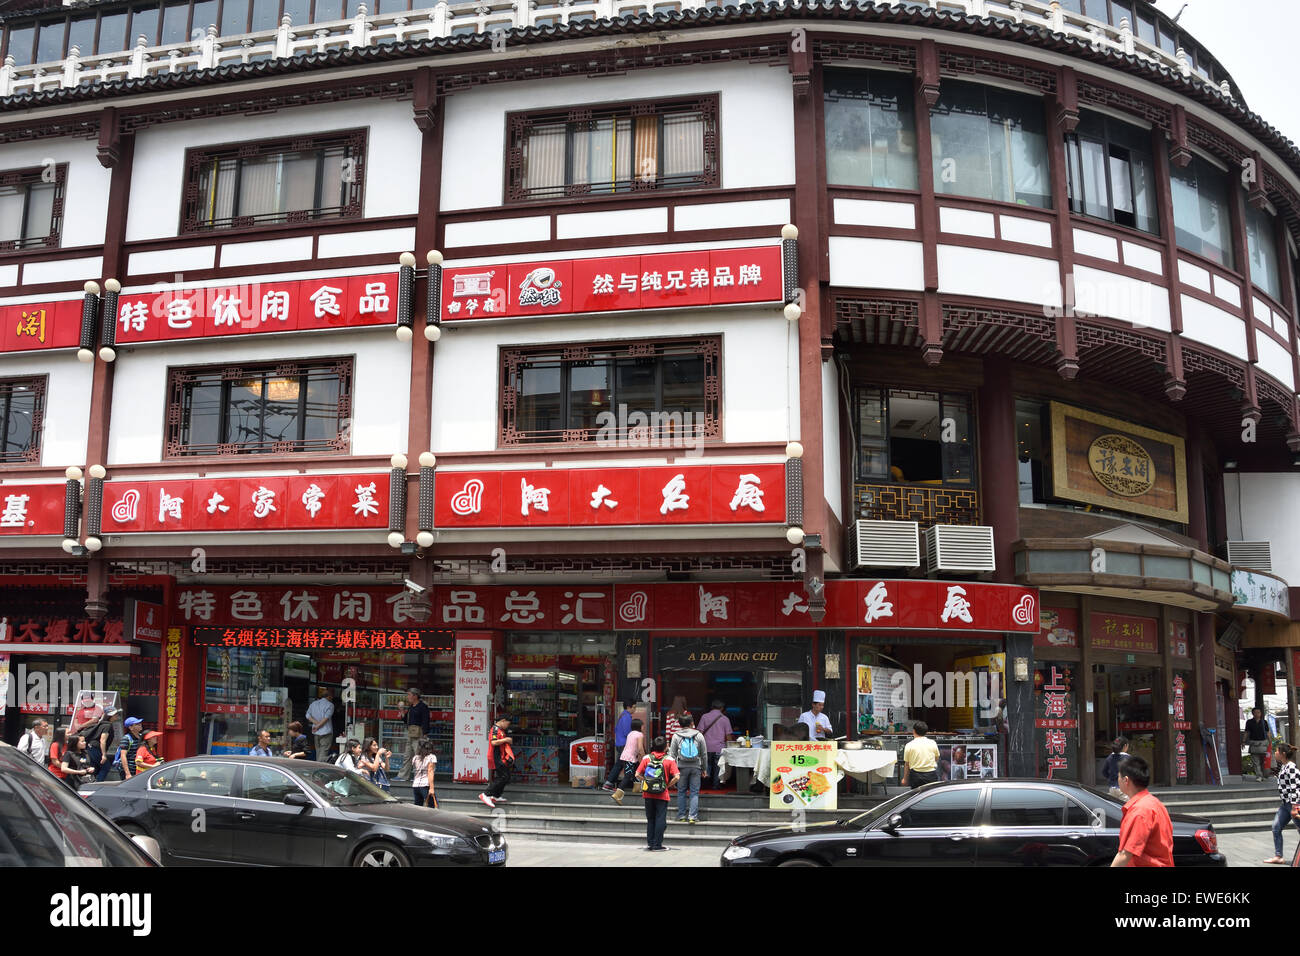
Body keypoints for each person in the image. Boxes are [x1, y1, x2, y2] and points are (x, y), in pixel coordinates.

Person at [1110, 754, 1174, 867]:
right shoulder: (1155, 803)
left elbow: (1125, 854)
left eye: (1118, 777)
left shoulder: (1140, 811)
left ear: (1126, 780)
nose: (1117, 780)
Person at [635, 736, 680, 851]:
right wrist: (667, 785)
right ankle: (657, 844)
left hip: (648, 794)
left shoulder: (646, 758)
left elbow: (637, 774)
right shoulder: (669, 759)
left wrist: (645, 782)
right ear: (666, 747)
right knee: (660, 819)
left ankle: (650, 843)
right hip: (662, 794)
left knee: (651, 819)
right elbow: (677, 777)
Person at [1264, 741, 1300, 864]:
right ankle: (1278, 856)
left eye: (1277, 751)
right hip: (1285, 805)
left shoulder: (1291, 767)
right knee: (1276, 827)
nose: (1275, 753)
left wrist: (1295, 807)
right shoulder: (1284, 766)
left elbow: (1296, 787)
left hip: (1293, 804)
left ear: (1283, 754)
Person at [668, 712, 707, 824]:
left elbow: (672, 755)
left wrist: (673, 771)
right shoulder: (699, 735)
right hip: (696, 767)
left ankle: (681, 815)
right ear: (691, 723)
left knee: (681, 792)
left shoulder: (676, 736)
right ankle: (692, 816)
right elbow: (704, 754)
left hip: (681, 767)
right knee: (694, 792)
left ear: (680, 724)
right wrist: (704, 769)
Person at [480, 715, 514, 809]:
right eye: (508, 723)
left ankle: (496, 795)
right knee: (504, 776)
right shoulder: (495, 729)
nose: (508, 726)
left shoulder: (500, 730)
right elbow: (493, 742)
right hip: (496, 757)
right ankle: (486, 794)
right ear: (503, 721)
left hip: (501, 757)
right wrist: (506, 740)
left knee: (505, 777)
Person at [608, 718, 645, 804]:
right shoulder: (640, 735)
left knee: (637, 771)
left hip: (626, 756)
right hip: (630, 758)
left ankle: (637, 788)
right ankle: (617, 794)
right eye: (642, 725)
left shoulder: (630, 734)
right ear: (639, 726)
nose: (643, 727)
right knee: (628, 776)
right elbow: (640, 748)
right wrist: (644, 758)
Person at [699, 700, 732, 789]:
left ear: (712, 707)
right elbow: (728, 736)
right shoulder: (725, 719)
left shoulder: (704, 717)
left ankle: (705, 784)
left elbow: (700, 733)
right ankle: (716, 785)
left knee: (707, 765)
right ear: (722, 708)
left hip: (706, 747)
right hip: (719, 747)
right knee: (718, 766)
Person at [399, 688, 430, 781]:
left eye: (409, 695)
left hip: (419, 734)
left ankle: (419, 776)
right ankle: (403, 776)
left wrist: (425, 734)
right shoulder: (411, 707)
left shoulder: (423, 706)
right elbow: (405, 720)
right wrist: (401, 710)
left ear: (415, 696)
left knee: (419, 756)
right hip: (411, 734)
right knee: (407, 755)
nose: (408, 697)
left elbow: (426, 720)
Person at [602, 703, 635, 791]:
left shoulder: (622, 715)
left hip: (620, 743)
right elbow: (627, 732)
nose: (635, 709)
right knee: (621, 765)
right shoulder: (626, 717)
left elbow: (616, 729)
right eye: (634, 707)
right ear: (628, 707)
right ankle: (609, 783)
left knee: (619, 764)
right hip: (624, 744)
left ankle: (609, 783)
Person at [902, 721, 940, 789]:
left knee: (916, 797)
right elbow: (936, 758)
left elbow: (907, 764)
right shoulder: (932, 743)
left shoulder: (909, 745)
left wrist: (905, 779)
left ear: (914, 731)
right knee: (931, 796)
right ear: (926, 732)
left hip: (916, 776)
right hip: (931, 775)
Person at [87, 708, 122, 782]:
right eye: (115, 714)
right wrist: (104, 755)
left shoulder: (102, 724)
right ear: (110, 716)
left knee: (94, 767)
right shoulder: (107, 725)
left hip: (91, 747)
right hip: (96, 748)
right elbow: (103, 740)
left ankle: (90, 782)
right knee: (106, 766)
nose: (117, 716)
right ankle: (97, 783)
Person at [306, 686, 336, 766]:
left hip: (316, 732)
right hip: (326, 732)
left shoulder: (313, 704)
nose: (332, 698)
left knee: (318, 752)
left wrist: (315, 724)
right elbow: (326, 718)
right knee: (323, 754)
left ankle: (317, 767)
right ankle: (318, 769)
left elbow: (307, 715)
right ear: (329, 696)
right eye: (331, 697)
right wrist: (318, 725)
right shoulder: (330, 705)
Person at [411, 738, 438, 808]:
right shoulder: (431, 757)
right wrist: (431, 788)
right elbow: (430, 772)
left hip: (416, 785)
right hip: (425, 785)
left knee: (418, 807)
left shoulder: (415, 758)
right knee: (432, 807)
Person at [1245, 707, 1270, 781]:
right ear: (1253, 713)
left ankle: (1263, 775)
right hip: (1253, 743)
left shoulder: (1264, 722)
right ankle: (1259, 776)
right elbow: (1247, 732)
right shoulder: (1249, 722)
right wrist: (1243, 741)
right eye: (1256, 712)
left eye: (1259, 712)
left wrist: (1270, 741)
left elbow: (1268, 732)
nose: (1257, 714)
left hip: (1263, 743)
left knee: (1263, 761)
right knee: (1256, 762)